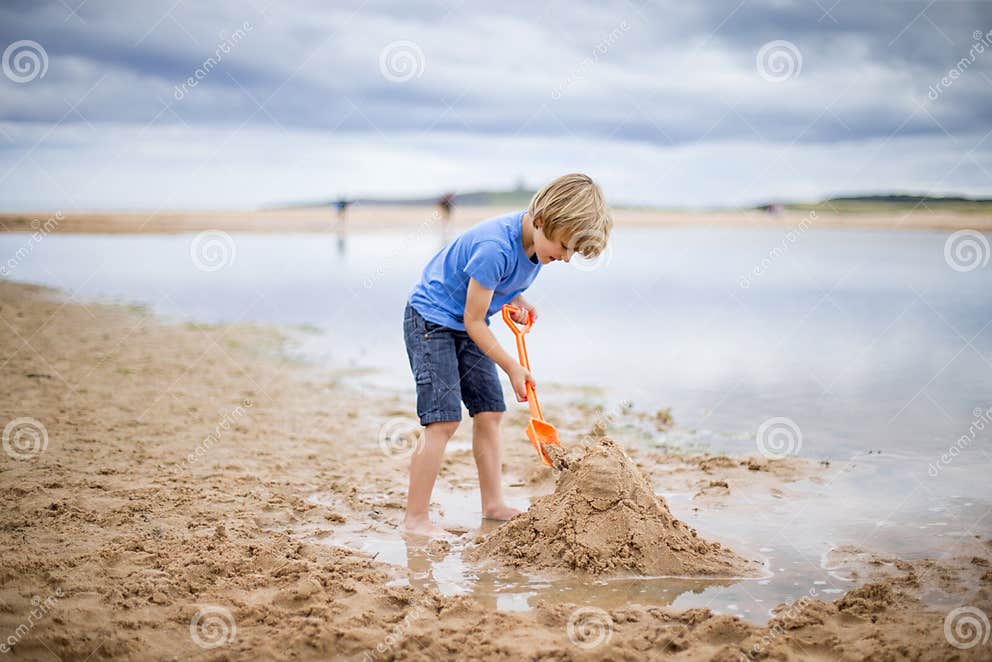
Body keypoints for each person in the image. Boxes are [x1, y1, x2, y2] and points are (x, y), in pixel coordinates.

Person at [402, 173, 612, 536]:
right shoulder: (494, 247)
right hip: (432, 320)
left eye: (572, 253)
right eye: (563, 247)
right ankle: (415, 519)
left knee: (491, 413)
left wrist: (516, 300)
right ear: (544, 222)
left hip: (469, 320)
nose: (564, 258)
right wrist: (512, 366)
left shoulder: (537, 247)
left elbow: (497, 288)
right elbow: (473, 319)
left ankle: (493, 504)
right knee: (443, 421)